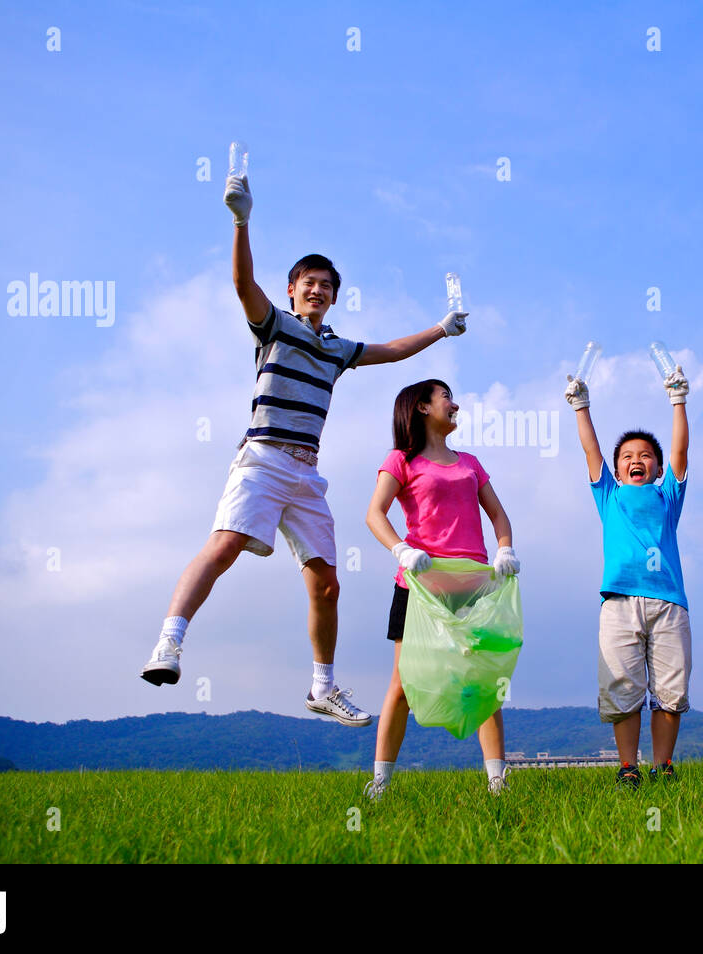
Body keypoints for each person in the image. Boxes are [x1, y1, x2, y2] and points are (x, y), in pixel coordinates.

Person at [138, 171, 469, 729]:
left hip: (307, 475)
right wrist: (241, 220)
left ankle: (323, 688)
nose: (317, 290)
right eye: (308, 283)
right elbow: (243, 285)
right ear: (292, 290)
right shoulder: (275, 328)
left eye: (326, 285)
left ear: (335, 296)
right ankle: (169, 644)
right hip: (263, 459)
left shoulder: (337, 349)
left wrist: (440, 329)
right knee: (224, 546)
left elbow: (389, 351)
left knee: (327, 582)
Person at [363, 380, 520, 798]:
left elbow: (499, 516)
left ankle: (497, 781)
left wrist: (504, 550)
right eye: (446, 396)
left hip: (472, 583)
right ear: (420, 407)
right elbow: (374, 514)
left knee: (483, 682)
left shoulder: (470, 462)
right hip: (420, 583)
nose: (455, 403)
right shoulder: (401, 459)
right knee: (402, 684)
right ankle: (380, 782)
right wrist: (401, 550)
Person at [563, 361, 691, 788]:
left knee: (670, 690)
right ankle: (628, 767)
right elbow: (590, 452)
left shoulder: (668, 496)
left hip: (669, 603)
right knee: (623, 687)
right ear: (617, 471)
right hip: (617, 602)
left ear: (656, 468)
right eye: (628, 457)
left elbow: (681, 452)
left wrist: (677, 401)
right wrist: (581, 406)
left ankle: (664, 765)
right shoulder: (609, 496)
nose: (637, 460)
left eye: (645, 457)